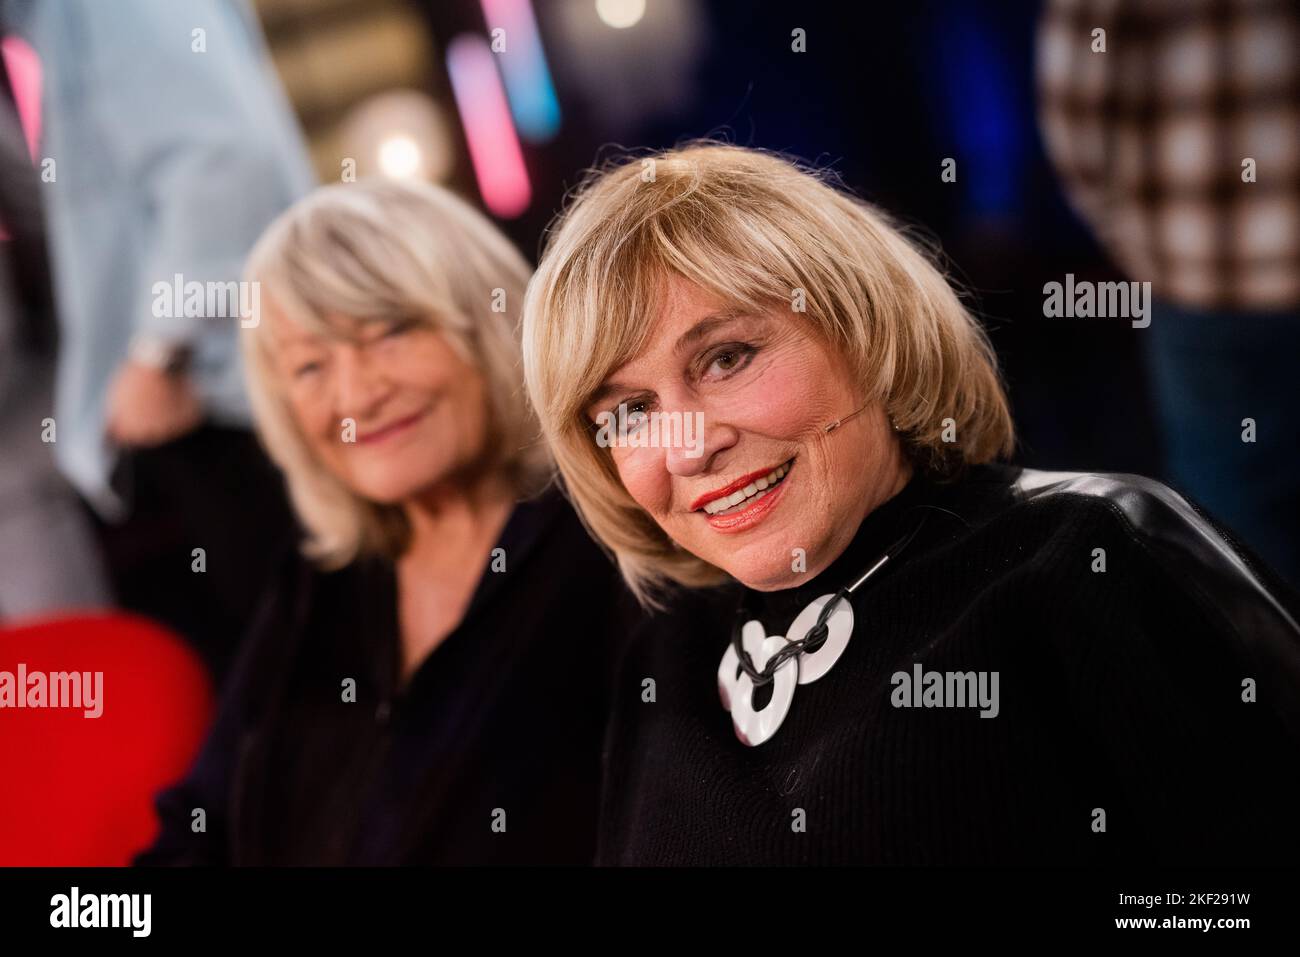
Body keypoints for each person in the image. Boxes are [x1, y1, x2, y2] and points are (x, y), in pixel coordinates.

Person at [521, 142, 1300, 865]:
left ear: (865, 328)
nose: (689, 447)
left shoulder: (1088, 554)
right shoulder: (666, 662)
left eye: (727, 358)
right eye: (627, 413)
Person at [136, 179, 636, 865]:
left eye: (390, 333)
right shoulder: (322, 581)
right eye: (311, 366)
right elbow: (199, 829)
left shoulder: (616, 541)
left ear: (489, 323)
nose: (356, 396)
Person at [1037, 0, 1300, 588]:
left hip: (1206, 280)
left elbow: (1076, 99)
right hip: (1202, 291)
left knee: (1237, 530)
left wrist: (1146, 251)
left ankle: (1267, 673)